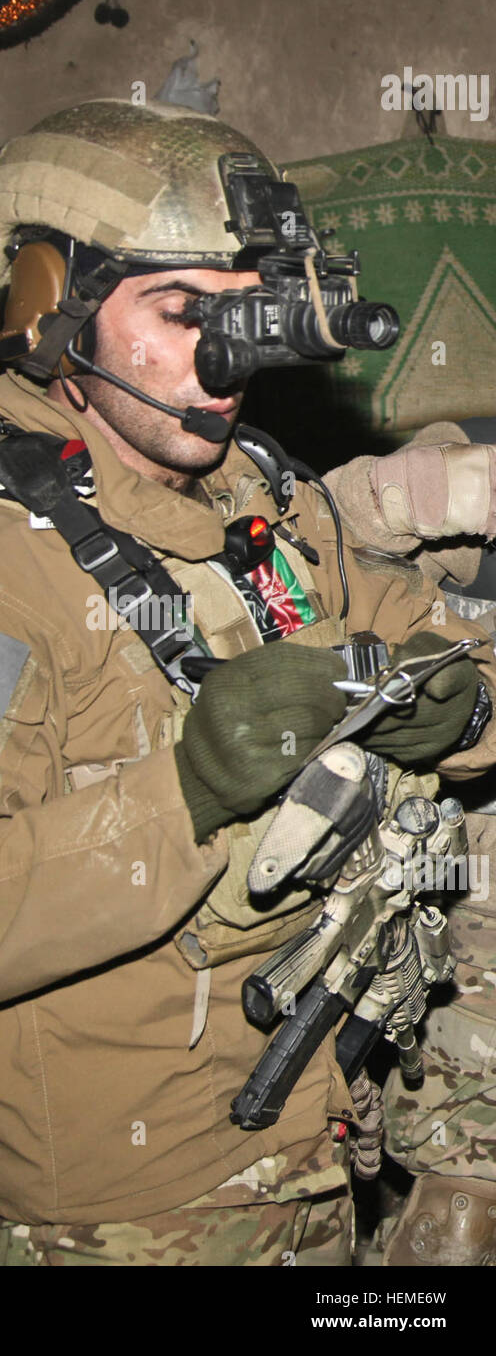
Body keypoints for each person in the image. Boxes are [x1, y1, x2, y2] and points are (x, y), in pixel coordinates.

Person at [0, 100, 496, 1266]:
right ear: (50, 314)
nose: (224, 358)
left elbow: (443, 652)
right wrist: (184, 793)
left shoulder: (267, 514)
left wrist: (464, 708)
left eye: (242, 317)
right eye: (182, 313)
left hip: (317, 1156)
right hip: (130, 1223)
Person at [326, 426, 496, 1264]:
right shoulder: (465, 477)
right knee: (460, 1222)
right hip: (470, 885)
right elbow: (318, 559)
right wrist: (400, 497)